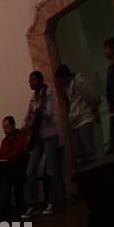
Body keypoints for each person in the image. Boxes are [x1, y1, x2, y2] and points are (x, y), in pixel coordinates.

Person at [22, 71, 64, 217]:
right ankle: (32, 205)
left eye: (32, 80)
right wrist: (25, 127)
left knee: (52, 170)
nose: (30, 83)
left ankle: (55, 201)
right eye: (29, 81)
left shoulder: (48, 93)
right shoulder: (33, 98)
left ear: (40, 80)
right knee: (30, 171)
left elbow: (49, 115)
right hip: (37, 137)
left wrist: (41, 113)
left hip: (50, 135)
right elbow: (27, 116)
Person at [55, 64, 99, 171]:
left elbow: (92, 97)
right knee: (78, 152)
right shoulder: (66, 87)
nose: (60, 83)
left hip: (84, 118)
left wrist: (94, 111)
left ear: (66, 76)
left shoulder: (79, 82)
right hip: (74, 122)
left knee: (88, 150)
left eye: (60, 80)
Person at [0, 116, 28, 222]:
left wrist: (7, 158)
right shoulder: (4, 141)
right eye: (3, 128)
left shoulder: (21, 136)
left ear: (13, 126)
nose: (5, 130)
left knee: (7, 179)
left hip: (21, 167)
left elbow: (19, 152)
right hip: (9, 170)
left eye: (7, 127)